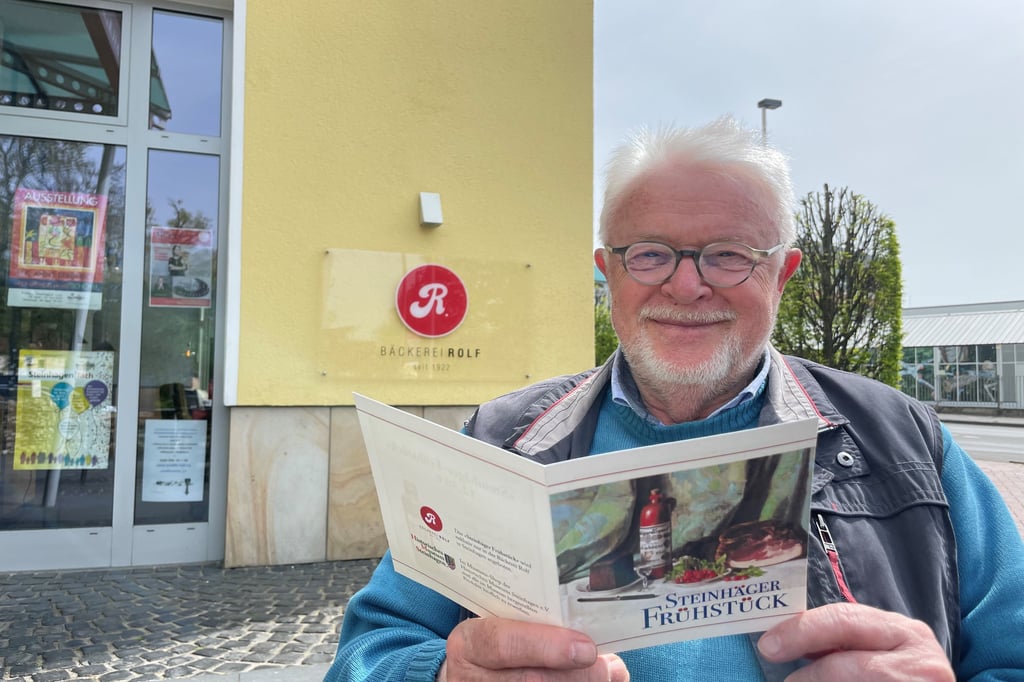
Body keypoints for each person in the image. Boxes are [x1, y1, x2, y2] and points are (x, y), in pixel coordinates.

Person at [326, 117, 1024, 681]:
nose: (687, 287)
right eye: (651, 253)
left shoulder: (906, 440)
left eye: (728, 254)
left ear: (781, 273)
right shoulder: (502, 438)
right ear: (609, 273)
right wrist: (443, 675)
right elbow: (371, 651)